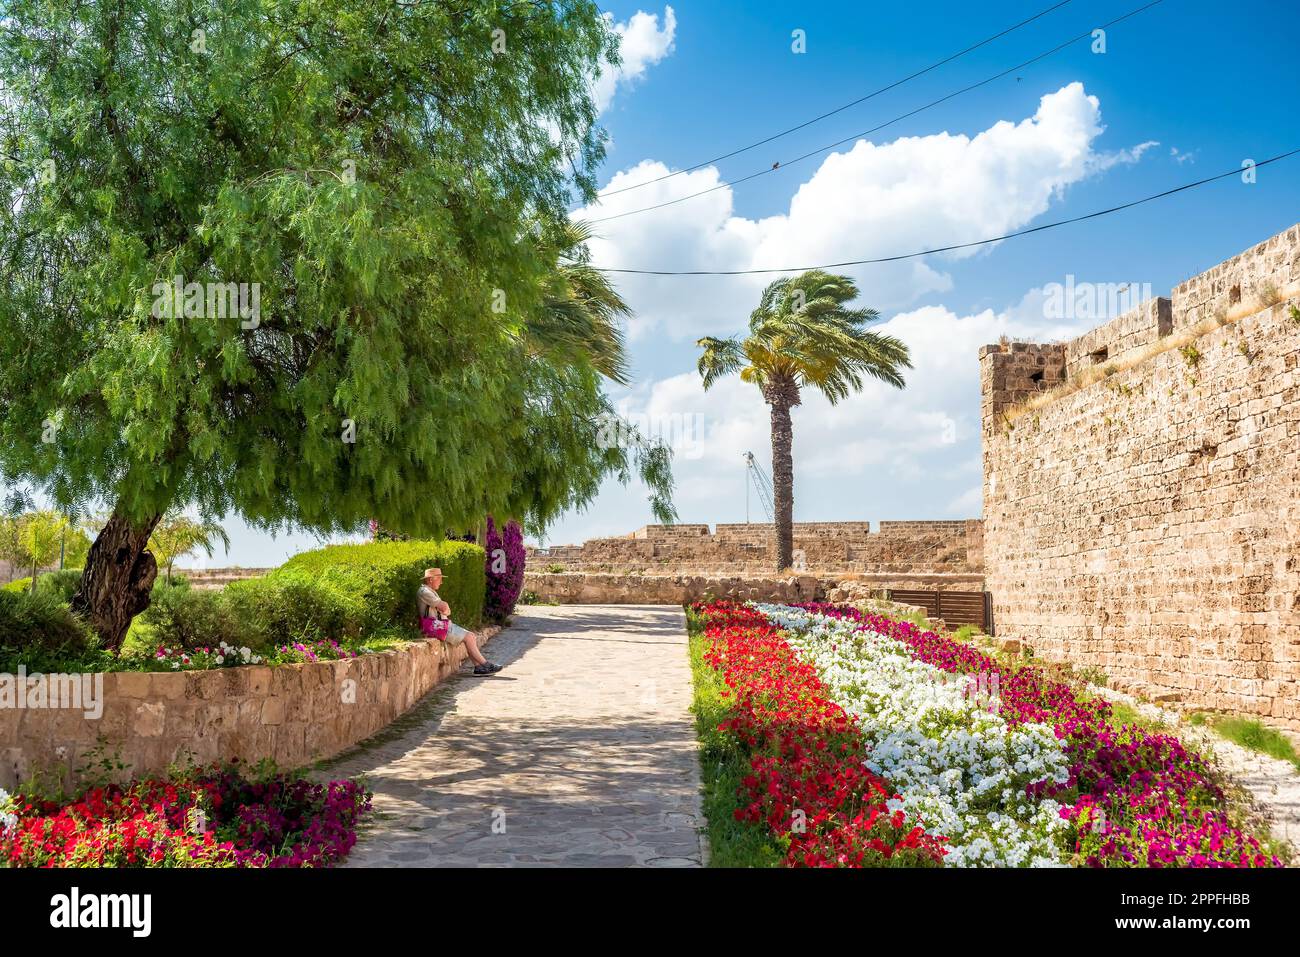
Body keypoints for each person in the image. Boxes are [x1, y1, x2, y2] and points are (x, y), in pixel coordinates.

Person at [418, 567, 501, 676]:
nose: (441, 582)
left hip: (441, 625)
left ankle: (479, 667)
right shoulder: (424, 591)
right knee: (469, 637)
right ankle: (485, 664)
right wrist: (444, 608)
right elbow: (444, 606)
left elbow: (447, 611)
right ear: (431, 579)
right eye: (439, 578)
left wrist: (445, 609)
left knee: (470, 636)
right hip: (435, 626)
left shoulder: (430, 591)